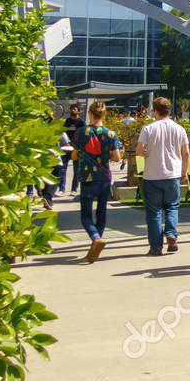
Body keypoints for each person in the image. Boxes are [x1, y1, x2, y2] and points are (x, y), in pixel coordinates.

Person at [135, 96, 190, 257]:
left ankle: (156, 246)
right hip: (173, 174)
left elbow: (139, 151)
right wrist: (184, 172)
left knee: (154, 212)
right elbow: (186, 153)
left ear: (155, 111)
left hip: (152, 175)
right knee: (172, 207)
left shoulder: (148, 129)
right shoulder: (179, 129)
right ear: (169, 111)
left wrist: (145, 152)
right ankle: (171, 234)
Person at [72, 101, 123, 263]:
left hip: (87, 179)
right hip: (104, 178)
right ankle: (97, 242)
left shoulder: (81, 132)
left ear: (90, 114)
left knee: (86, 216)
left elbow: (73, 155)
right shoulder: (111, 134)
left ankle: (95, 238)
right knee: (101, 212)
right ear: (104, 114)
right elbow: (117, 157)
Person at [62, 103, 85, 194]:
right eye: (71, 109)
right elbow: (63, 132)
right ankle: (61, 189)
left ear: (78, 111)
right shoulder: (67, 121)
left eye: (75, 109)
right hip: (67, 146)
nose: (72, 110)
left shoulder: (81, 122)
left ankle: (74, 189)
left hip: (76, 147)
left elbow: (84, 134)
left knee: (76, 170)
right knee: (63, 168)